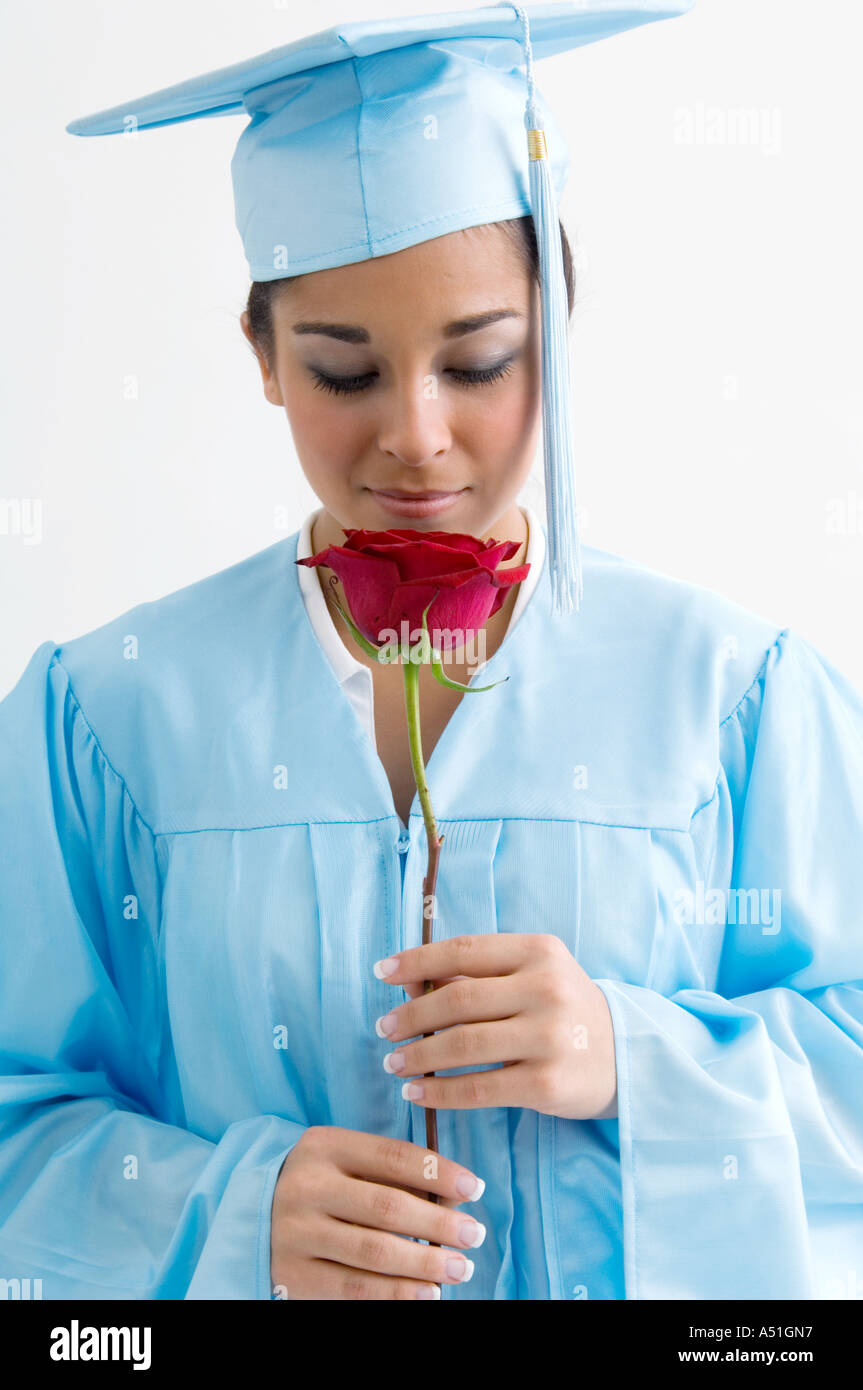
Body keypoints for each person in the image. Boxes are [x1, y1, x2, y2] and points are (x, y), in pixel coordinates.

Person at [1, 1, 861, 1302]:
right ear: (262, 355)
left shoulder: (733, 695)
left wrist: (636, 1049)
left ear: (558, 331)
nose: (417, 435)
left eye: (482, 360)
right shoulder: (111, 718)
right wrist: (225, 1213)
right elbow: (19, 1119)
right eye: (344, 370)